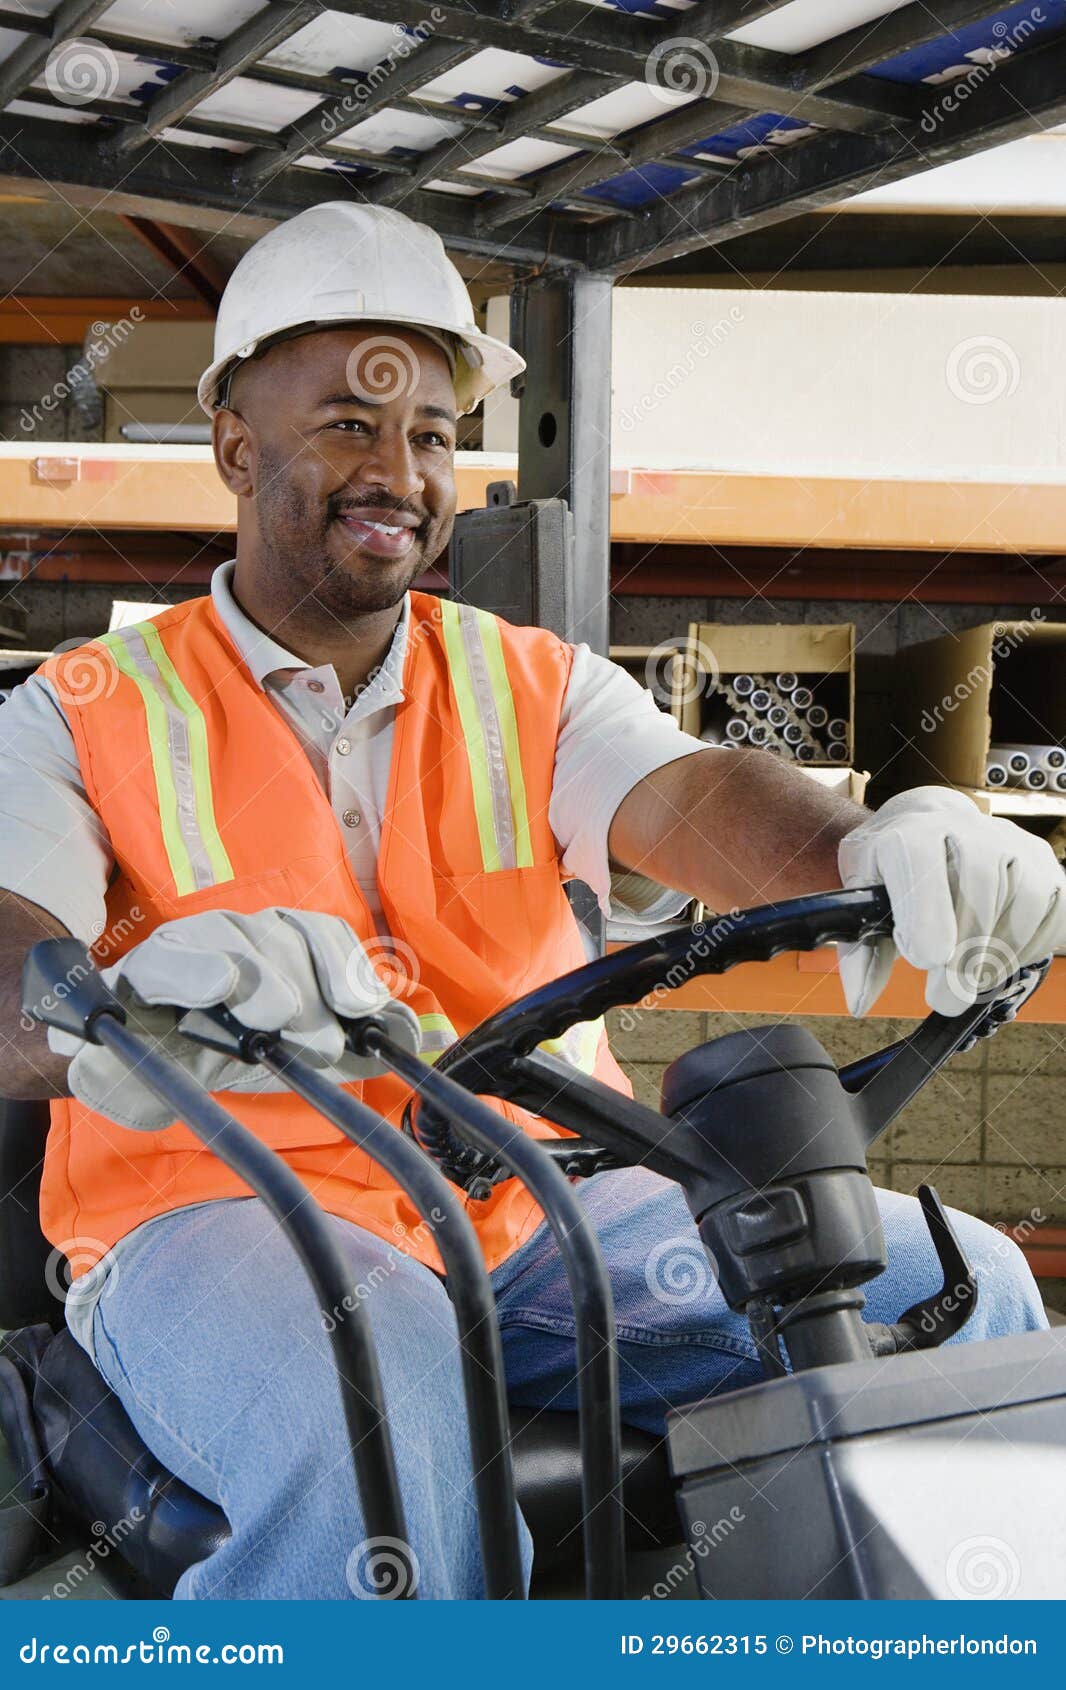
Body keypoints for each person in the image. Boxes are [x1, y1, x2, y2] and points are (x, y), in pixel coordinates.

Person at [0, 203, 1061, 1601]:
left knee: (955, 1288)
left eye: (433, 433)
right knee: (378, 1396)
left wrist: (868, 847)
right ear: (235, 447)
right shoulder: (79, 711)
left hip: (538, 1201)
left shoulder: (533, 685)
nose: (400, 470)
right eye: (346, 424)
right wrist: (109, 1014)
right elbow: (11, 946)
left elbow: (693, 797)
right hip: (222, 1214)